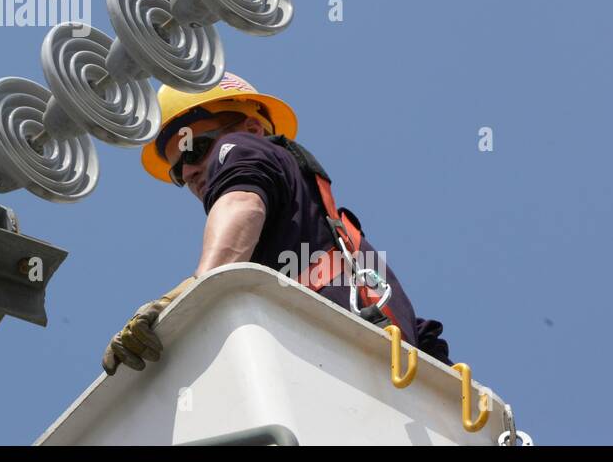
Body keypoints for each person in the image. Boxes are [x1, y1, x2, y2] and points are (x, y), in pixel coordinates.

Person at [102, 72, 451, 376]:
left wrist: (189, 301)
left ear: (252, 129)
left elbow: (242, 205)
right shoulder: (344, 248)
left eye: (194, 150)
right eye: (179, 171)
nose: (190, 172)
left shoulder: (239, 146)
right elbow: (426, 345)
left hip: (339, 376)